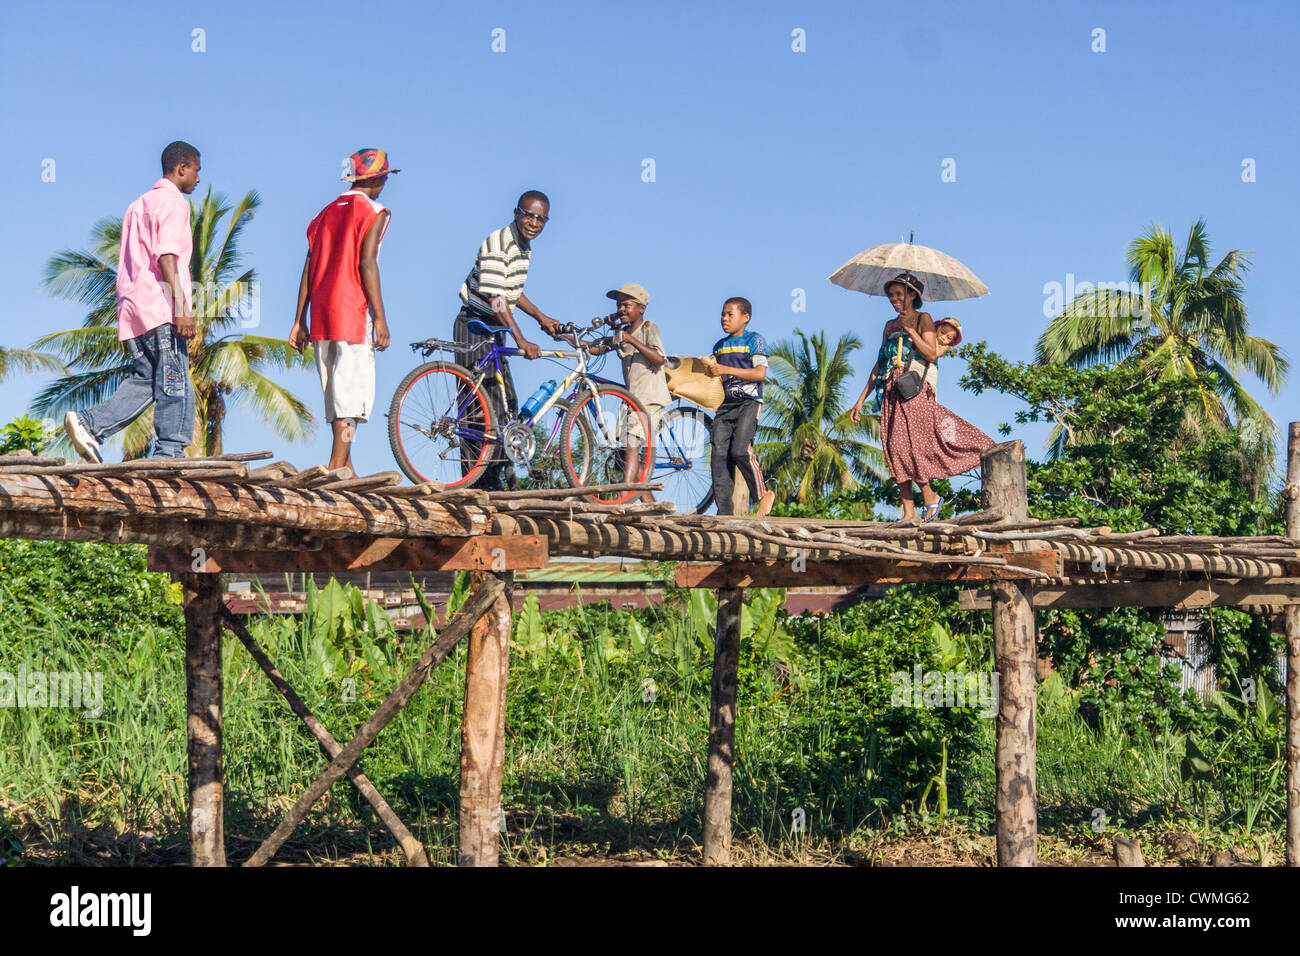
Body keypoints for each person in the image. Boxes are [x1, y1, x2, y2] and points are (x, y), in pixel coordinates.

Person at [64, 142, 201, 462]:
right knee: (175, 381)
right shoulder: (174, 202)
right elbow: (166, 256)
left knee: (147, 380)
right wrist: (181, 308)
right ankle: (169, 451)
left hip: (132, 309)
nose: (197, 179)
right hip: (159, 307)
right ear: (180, 169)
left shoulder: (138, 205)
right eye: (196, 171)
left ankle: (88, 423)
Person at [849, 273, 991, 522]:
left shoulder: (923, 319)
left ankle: (930, 496)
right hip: (890, 391)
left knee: (912, 448)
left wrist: (911, 332)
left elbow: (932, 354)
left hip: (913, 390)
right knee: (894, 449)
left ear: (912, 295)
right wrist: (861, 399)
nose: (894, 299)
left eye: (899, 294)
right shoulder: (889, 326)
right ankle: (909, 512)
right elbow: (879, 364)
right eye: (891, 295)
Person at [288, 148, 397, 473]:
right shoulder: (374, 211)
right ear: (376, 179)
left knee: (337, 395)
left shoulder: (322, 214)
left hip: (321, 313)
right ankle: (336, 465)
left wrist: (299, 319)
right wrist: (379, 317)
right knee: (351, 400)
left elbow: (308, 266)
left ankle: (347, 468)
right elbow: (367, 264)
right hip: (351, 311)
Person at [453, 191, 562, 489]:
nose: (534, 223)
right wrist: (521, 338)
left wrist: (541, 317)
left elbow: (511, 291)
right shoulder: (498, 243)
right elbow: (497, 299)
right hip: (475, 325)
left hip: (496, 326)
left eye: (541, 219)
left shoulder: (523, 247)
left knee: (506, 405)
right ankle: (475, 482)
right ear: (516, 213)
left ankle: (498, 477)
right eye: (529, 215)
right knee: (479, 406)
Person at [589, 283, 671, 503]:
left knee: (632, 443)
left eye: (627, 305)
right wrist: (570, 339)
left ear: (641, 308)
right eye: (619, 305)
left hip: (649, 398)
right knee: (627, 451)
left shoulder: (648, 327)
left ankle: (622, 498)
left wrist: (632, 340)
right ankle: (650, 504)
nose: (622, 309)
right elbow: (598, 349)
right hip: (631, 399)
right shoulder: (621, 333)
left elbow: (659, 358)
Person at [702, 297, 767, 516]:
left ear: (745, 317)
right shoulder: (719, 346)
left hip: (748, 403)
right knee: (719, 456)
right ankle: (724, 513)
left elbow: (760, 373)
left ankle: (763, 495)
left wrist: (726, 370)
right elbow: (713, 378)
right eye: (723, 314)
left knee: (740, 451)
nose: (724, 318)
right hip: (725, 406)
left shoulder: (754, 340)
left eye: (730, 314)